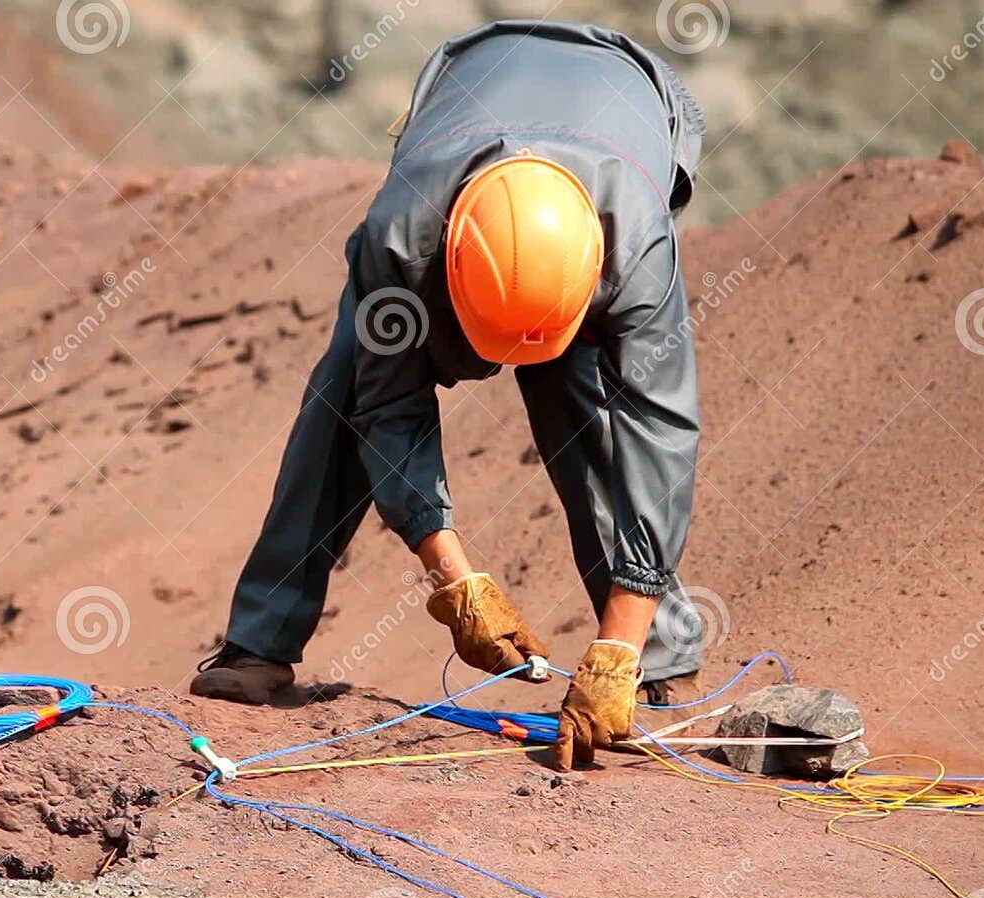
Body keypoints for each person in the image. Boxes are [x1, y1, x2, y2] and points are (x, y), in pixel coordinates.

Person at [191, 20, 707, 771]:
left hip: (635, 100)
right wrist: (456, 583)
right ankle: (260, 644)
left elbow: (660, 437)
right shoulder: (398, 240)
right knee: (347, 385)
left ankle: (654, 660)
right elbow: (388, 410)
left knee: (585, 401)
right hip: (470, 93)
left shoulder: (637, 248)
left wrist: (617, 650)